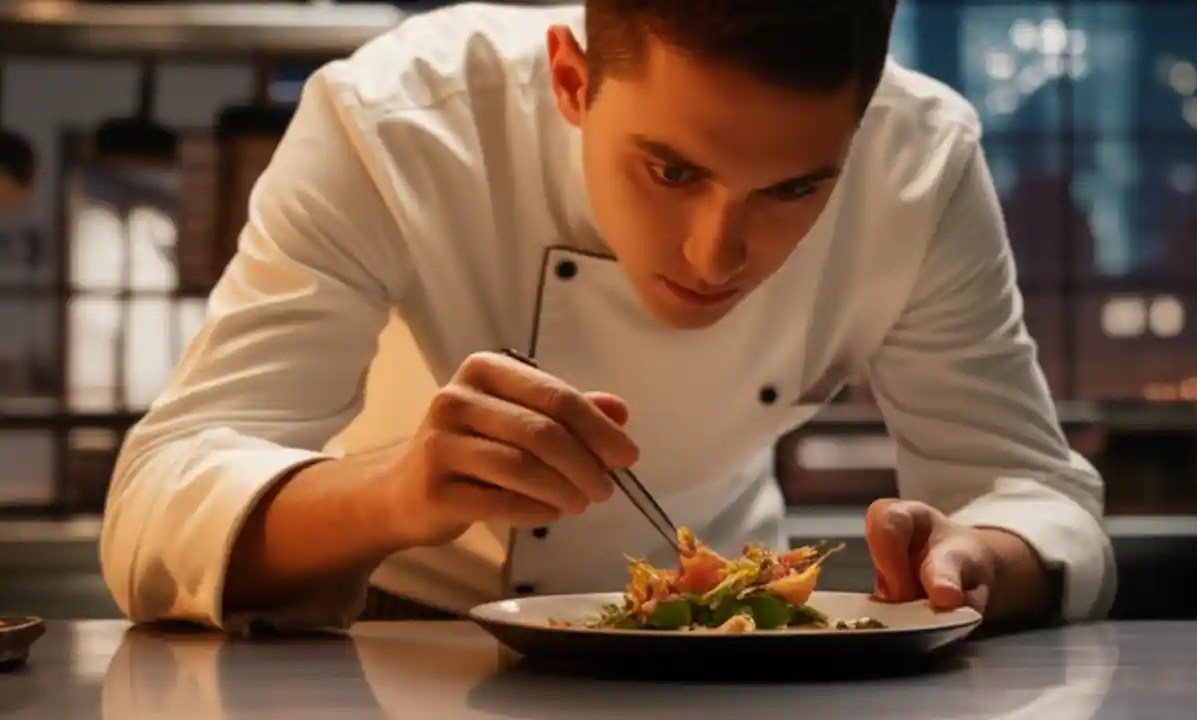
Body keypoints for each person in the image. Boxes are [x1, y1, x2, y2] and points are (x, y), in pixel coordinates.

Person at [101, 0, 1115, 633]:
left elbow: (1031, 493)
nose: (715, 256)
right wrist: (399, 491)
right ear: (571, 81)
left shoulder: (920, 163)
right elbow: (152, 509)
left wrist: (972, 560)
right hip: (399, 645)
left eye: (795, 191)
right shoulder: (393, 121)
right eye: (670, 169)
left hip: (720, 653)